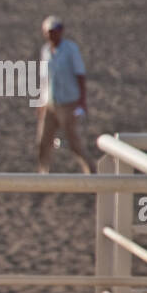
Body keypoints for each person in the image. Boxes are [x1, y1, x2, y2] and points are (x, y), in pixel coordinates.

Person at [36, 15, 93, 174]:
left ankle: (91, 170)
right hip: (50, 102)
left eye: (56, 30)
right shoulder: (45, 51)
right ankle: (43, 173)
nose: (53, 34)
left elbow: (80, 75)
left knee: (74, 142)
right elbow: (44, 78)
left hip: (68, 103)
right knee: (43, 140)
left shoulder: (70, 49)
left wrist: (82, 101)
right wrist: (41, 101)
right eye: (50, 31)